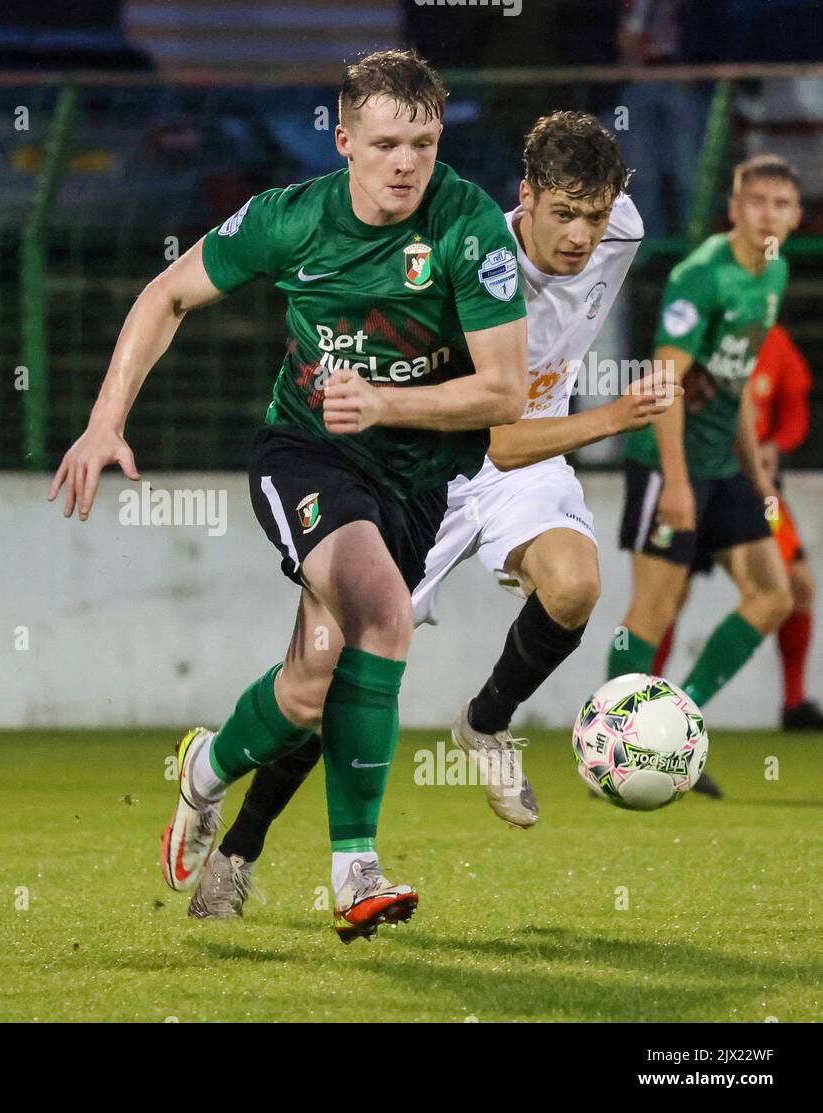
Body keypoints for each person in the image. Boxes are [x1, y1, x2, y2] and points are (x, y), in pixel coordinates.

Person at [51, 49, 529, 941]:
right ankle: (356, 872)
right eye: (386, 142)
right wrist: (104, 420)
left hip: (419, 476)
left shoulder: (470, 227)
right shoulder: (290, 219)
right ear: (344, 140)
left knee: (308, 690)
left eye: (423, 143)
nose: (406, 164)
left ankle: (206, 767)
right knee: (382, 612)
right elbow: (166, 296)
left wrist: (386, 402)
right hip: (306, 455)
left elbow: (505, 392)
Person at [191, 112, 672, 919]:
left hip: (527, 454)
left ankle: (485, 724)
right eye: (562, 214)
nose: (582, 236)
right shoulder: (478, 258)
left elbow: (525, 439)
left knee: (576, 586)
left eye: (594, 215)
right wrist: (611, 418)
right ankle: (239, 848)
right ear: (525, 198)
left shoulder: (621, 226)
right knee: (335, 669)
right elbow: (498, 431)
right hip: (444, 458)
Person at [607, 155, 801, 797]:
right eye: (757, 201)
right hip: (670, 465)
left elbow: (737, 384)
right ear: (736, 208)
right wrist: (678, 484)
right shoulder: (701, 277)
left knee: (775, 594)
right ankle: (614, 751)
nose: (768, 214)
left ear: (796, 216)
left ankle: (674, 727)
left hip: (725, 466)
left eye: (782, 203)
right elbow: (664, 383)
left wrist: (759, 479)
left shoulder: (774, 272)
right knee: (654, 610)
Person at [650, 323, 822, 730]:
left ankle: (793, 704)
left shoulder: (775, 340)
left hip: (760, 491)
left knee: (797, 583)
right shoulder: (696, 335)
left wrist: (774, 446)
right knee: (669, 594)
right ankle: (645, 700)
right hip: (697, 482)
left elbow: (796, 410)